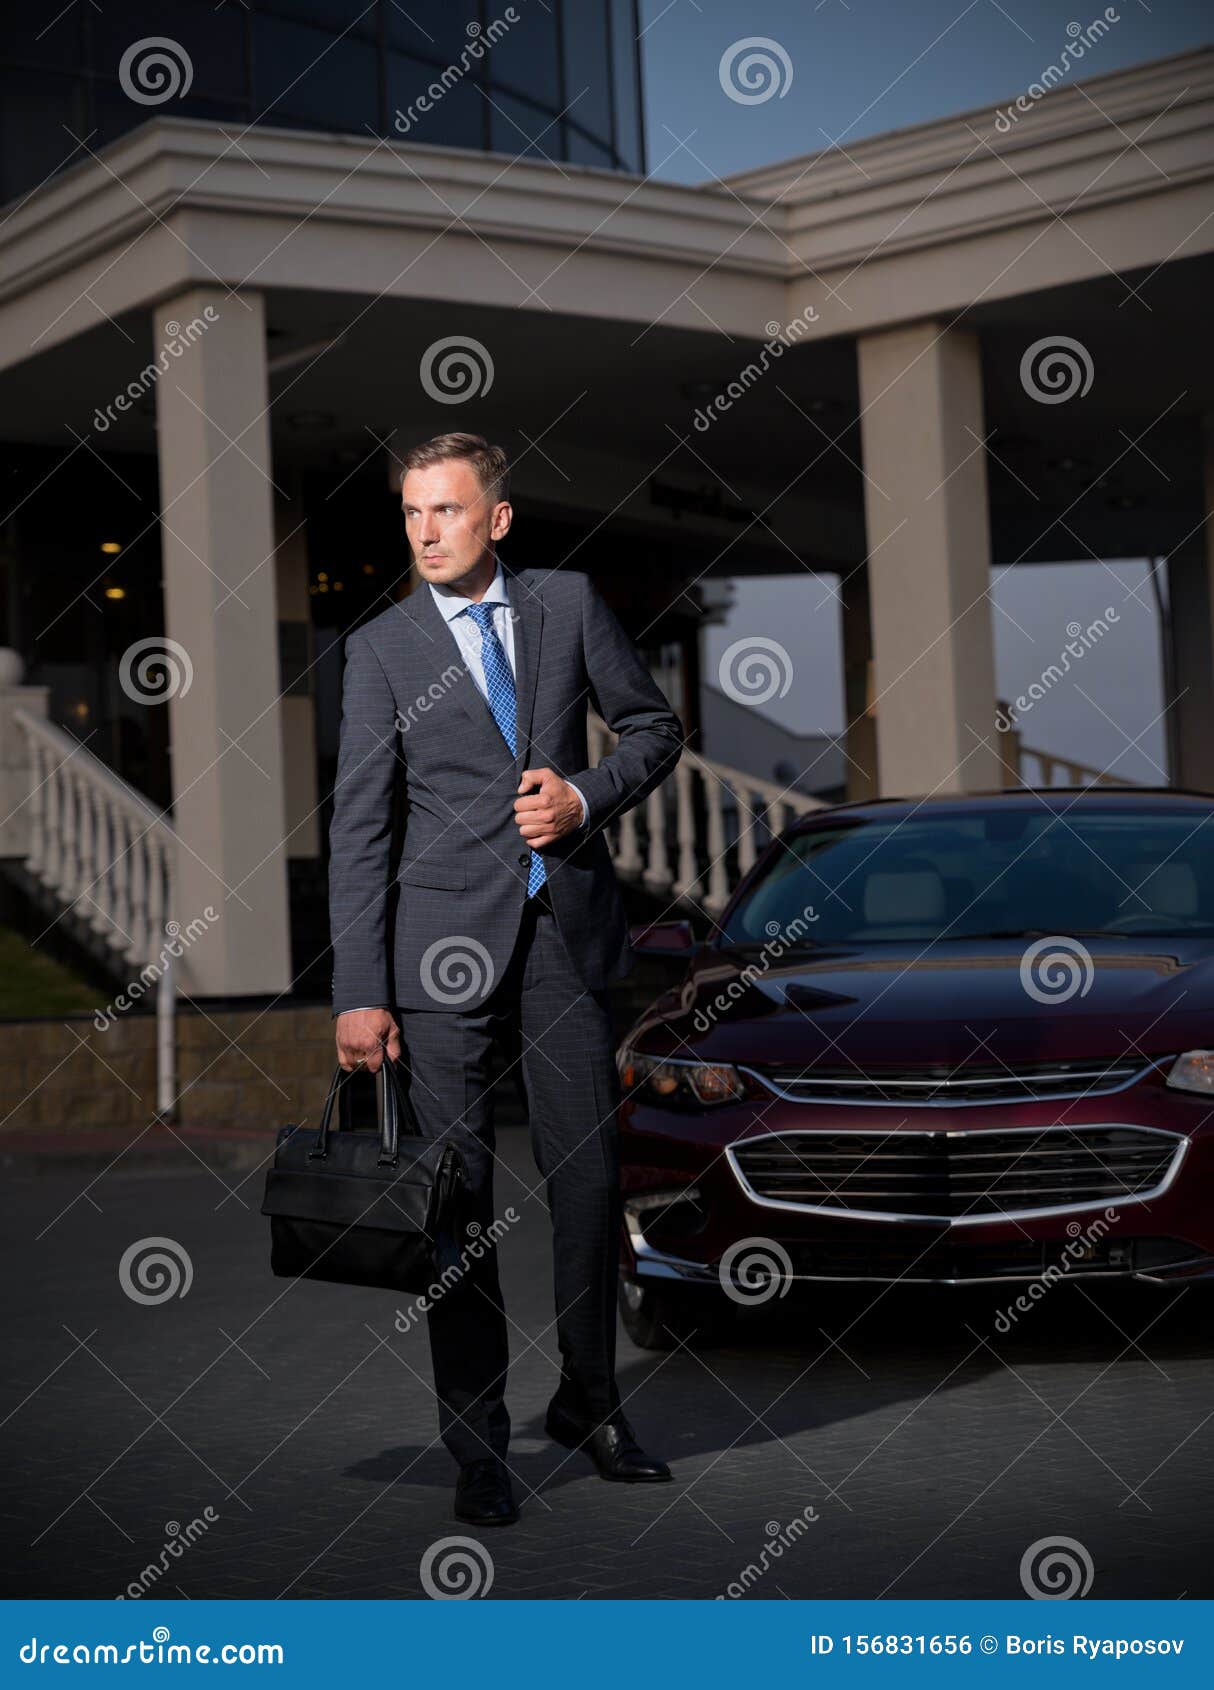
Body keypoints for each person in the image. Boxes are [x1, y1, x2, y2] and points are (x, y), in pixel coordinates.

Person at [328, 431, 684, 1526]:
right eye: (411, 512)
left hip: (564, 944)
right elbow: (359, 829)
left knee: (588, 1186)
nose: (425, 531)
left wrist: (584, 796)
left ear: (498, 517)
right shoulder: (381, 647)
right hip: (436, 963)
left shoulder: (566, 605)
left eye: (445, 509)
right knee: (459, 1202)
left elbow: (654, 727)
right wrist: (358, 990)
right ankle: (478, 1444)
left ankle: (588, 1400)